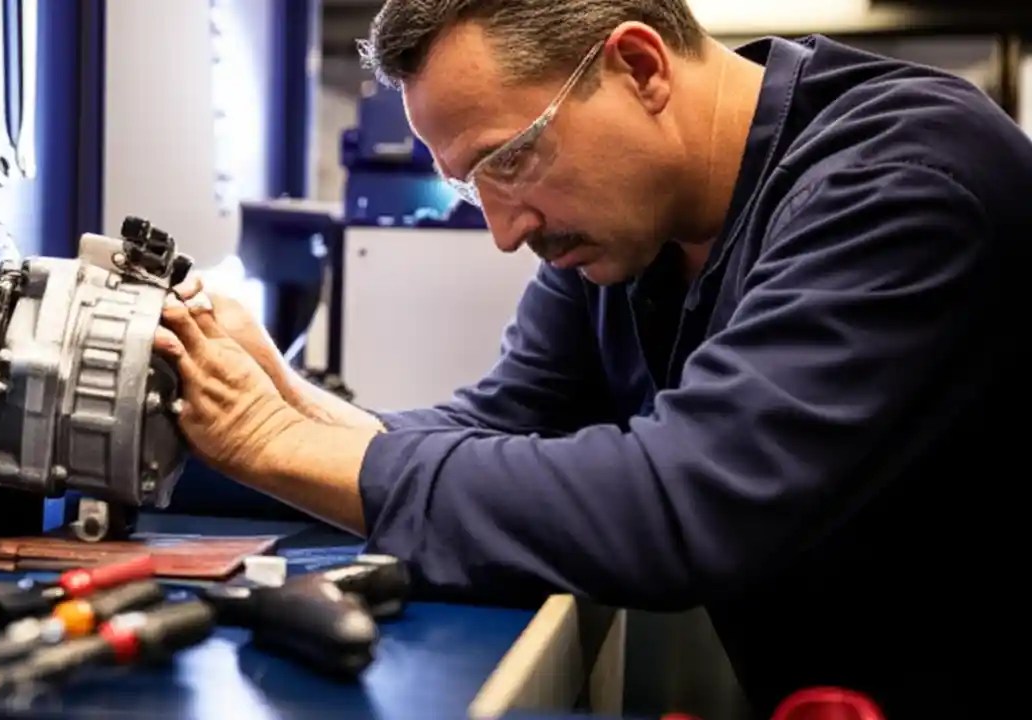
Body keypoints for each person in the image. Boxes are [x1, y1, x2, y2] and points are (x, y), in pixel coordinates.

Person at [154, 0, 1029, 715]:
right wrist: (238, 407)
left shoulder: (907, 177)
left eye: (510, 160)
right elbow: (492, 427)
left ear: (640, 68)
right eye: (470, 184)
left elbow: (676, 505)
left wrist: (274, 436)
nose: (504, 232)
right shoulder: (625, 237)